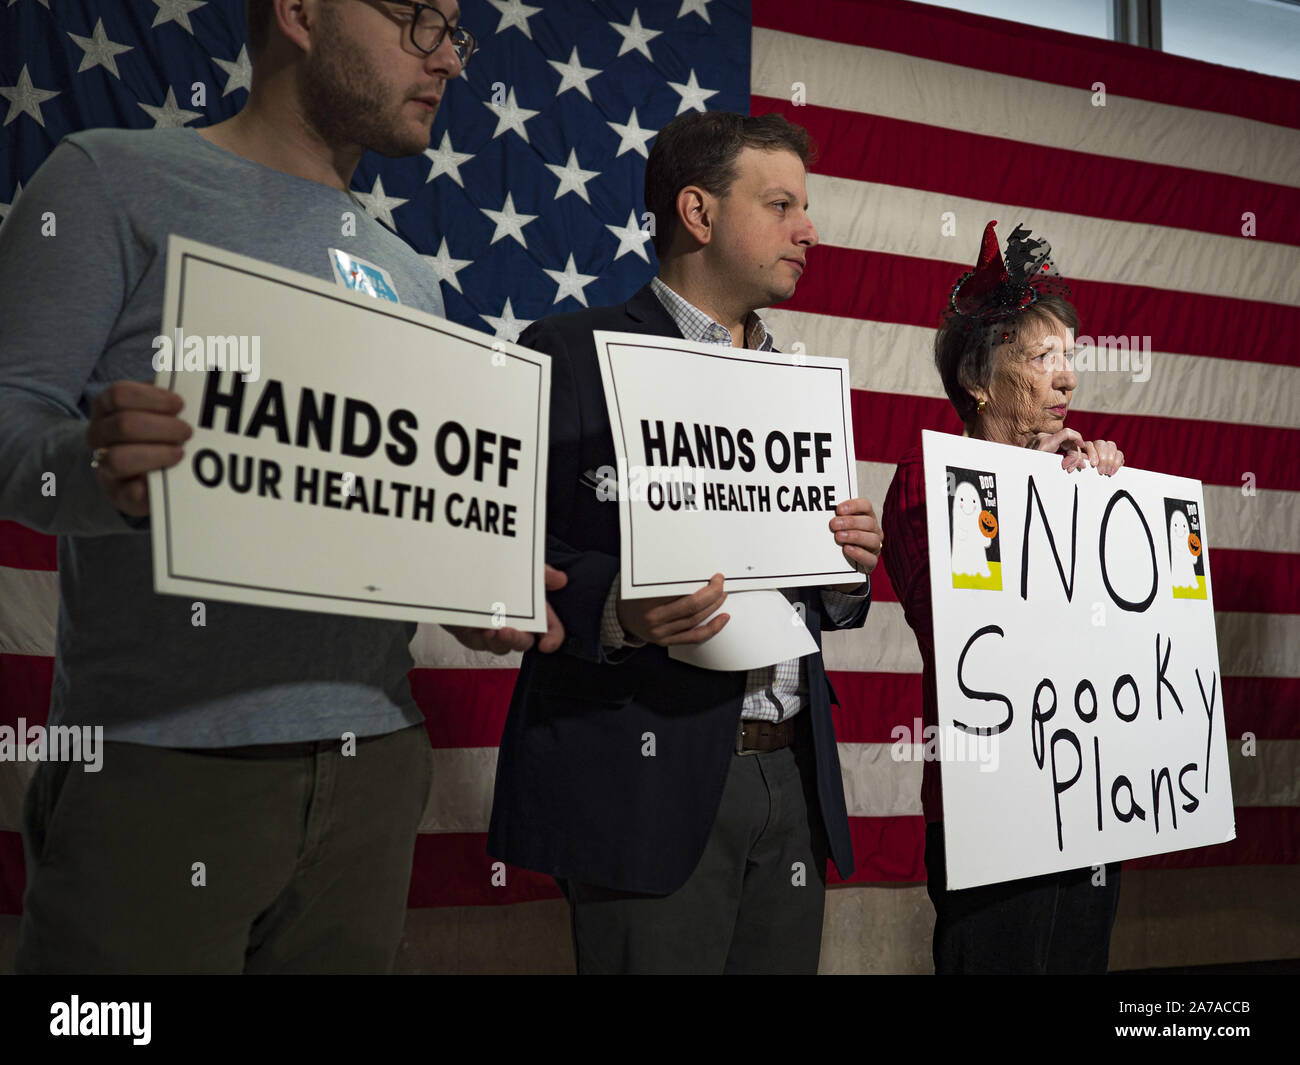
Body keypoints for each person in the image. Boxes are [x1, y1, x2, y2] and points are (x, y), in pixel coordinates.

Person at [0, 0, 556, 974]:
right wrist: (93, 466)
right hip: (161, 767)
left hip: (376, 762)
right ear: (299, 13)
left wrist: (470, 586)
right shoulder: (108, 182)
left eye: (456, 33)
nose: (449, 60)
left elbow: (378, 512)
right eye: (421, 20)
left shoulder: (408, 275)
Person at [487, 111, 883, 974]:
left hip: (792, 781)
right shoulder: (566, 352)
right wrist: (620, 611)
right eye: (780, 204)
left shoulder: (795, 382)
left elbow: (816, 597)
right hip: (644, 787)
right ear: (698, 214)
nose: (808, 229)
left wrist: (847, 565)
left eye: (804, 207)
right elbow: (499, 556)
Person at [882, 220, 1125, 974]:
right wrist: (1030, 497)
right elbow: (959, 623)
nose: (1068, 378)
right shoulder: (924, 480)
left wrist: (1109, 504)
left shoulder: (1076, 473)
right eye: (1043, 357)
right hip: (991, 808)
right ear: (979, 379)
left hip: (1086, 800)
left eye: (1071, 359)